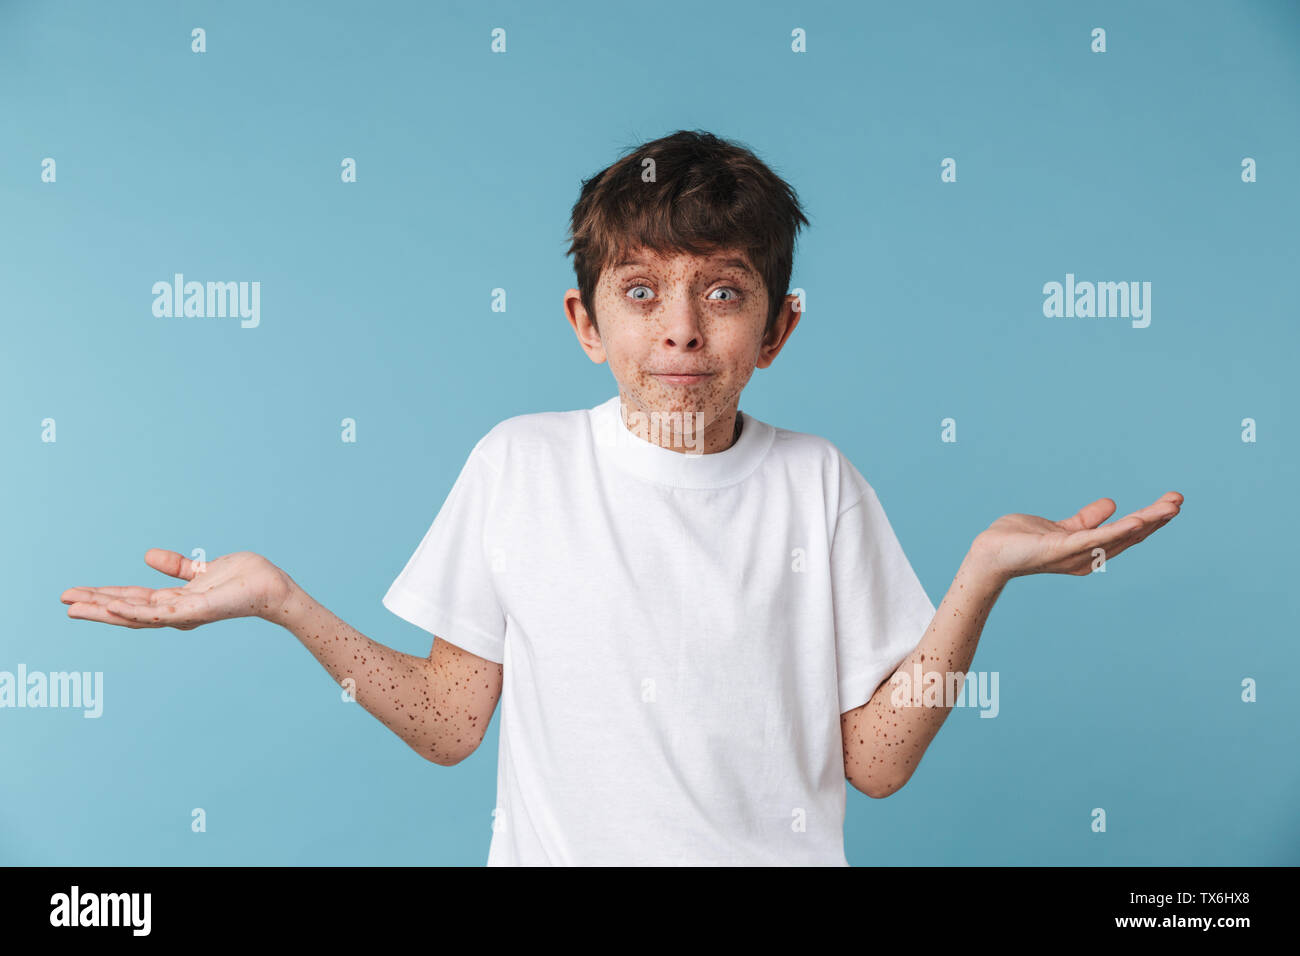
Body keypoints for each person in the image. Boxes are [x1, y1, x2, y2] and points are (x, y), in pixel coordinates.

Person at [60, 129, 1183, 866]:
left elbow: (876, 760)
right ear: (585, 323)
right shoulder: (520, 465)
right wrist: (283, 601)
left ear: (778, 329)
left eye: (724, 292)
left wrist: (978, 577)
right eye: (641, 291)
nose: (682, 326)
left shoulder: (819, 484)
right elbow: (455, 724)